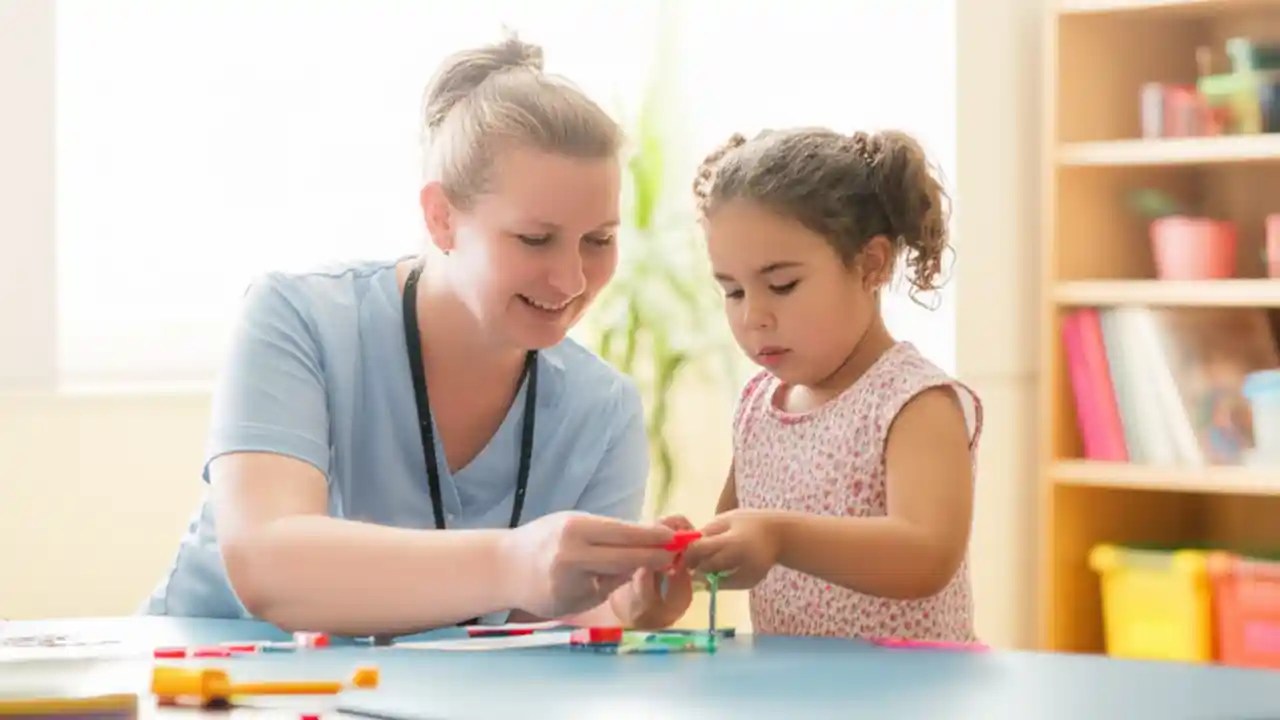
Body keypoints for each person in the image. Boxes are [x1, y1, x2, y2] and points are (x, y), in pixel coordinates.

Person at [142, 35, 694, 637]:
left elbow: (547, 629)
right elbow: (267, 564)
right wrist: (515, 561)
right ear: (442, 218)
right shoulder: (295, 317)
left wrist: (628, 605)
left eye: (600, 239)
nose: (573, 278)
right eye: (535, 240)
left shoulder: (604, 410)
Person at [678, 127, 983, 641]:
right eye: (732, 291)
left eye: (782, 285)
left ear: (871, 264)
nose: (754, 316)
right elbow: (733, 548)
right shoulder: (758, 405)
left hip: (911, 698)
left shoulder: (914, 403)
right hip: (799, 698)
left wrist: (779, 537)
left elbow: (927, 555)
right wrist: (675, 557)